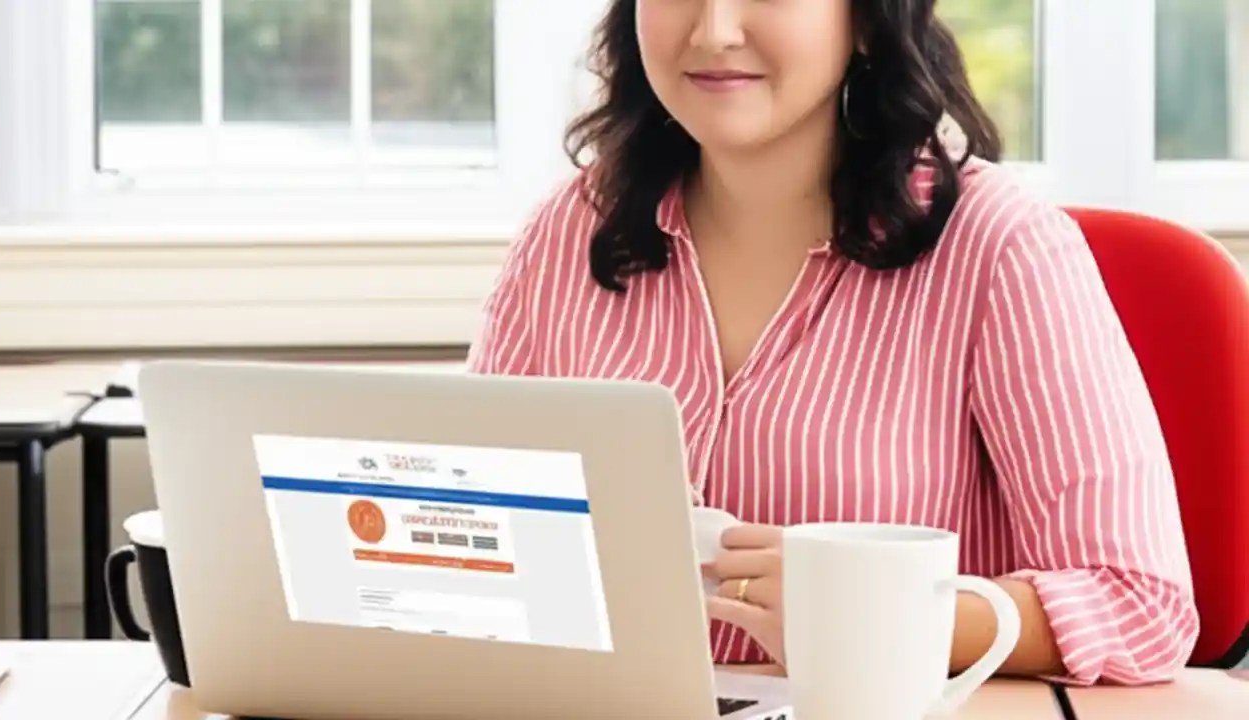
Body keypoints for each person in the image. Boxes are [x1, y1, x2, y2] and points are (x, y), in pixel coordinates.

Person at [466, 0, 1198, 686]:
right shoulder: (562, 238)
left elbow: (1142, 604)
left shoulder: (1001, 247)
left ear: (869, 20)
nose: (715, 29)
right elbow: (463, 551)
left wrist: (882, 616)